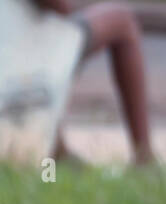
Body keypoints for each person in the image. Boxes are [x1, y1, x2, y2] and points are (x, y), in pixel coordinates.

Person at [35, 1, 154, 165]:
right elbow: (60, 7)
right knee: (122, 20)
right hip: (24, 54)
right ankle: (145, 158)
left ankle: (57, 148)